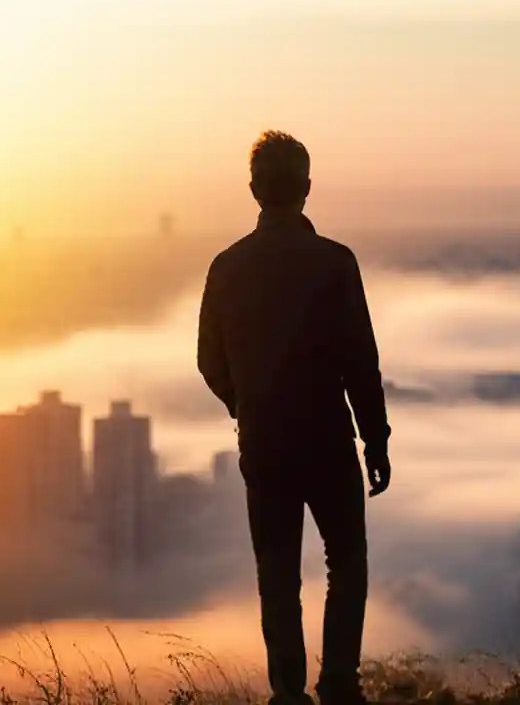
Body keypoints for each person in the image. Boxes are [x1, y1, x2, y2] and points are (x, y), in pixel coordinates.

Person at [197, 131, 392, 705]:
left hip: (266, 444)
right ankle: (339, 685)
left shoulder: (227, 267)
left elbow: (209, 360)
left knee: (277, 575)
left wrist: (246, 405)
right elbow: (362, 361)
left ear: (254, 189)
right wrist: (375, 441)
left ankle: (287, 694)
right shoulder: (334, 262)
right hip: (329, 438)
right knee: (346, 560)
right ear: (307, 188)